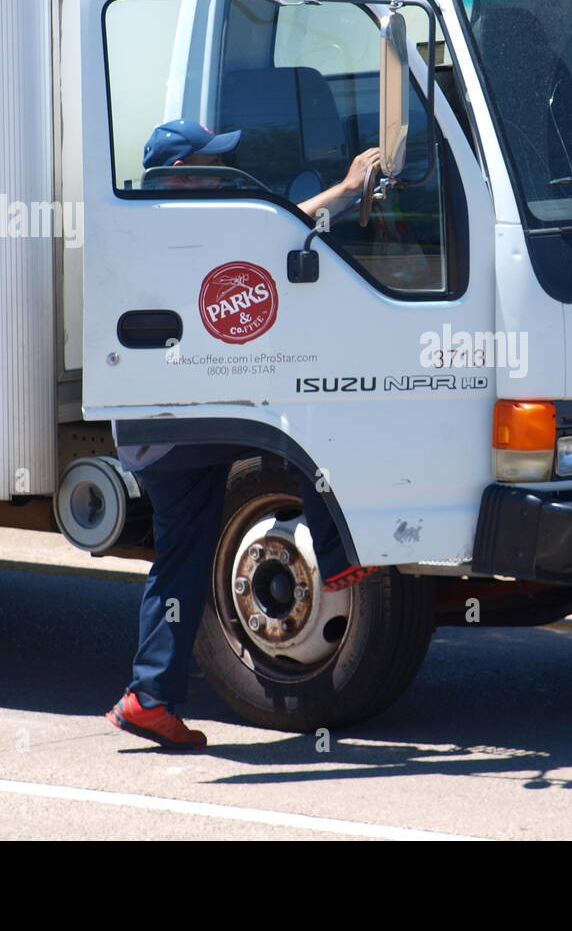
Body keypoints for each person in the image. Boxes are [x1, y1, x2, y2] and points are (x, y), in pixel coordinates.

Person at [104, 119, 380, 751]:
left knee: (180, 562)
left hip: (156, 427)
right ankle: (338, 561)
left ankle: (148, 700)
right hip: (174, 424)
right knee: (310, 430)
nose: (222, 174)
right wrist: (345, 188)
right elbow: (279, 228)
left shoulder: (160, 219)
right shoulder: (181, 222)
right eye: (209, 164)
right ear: (178, 176)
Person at [138, 118, 380, 220]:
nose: (224, 169)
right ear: (179, 176)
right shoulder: (187, 217)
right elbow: (285, 222)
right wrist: (349, 185)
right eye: (214, 163)